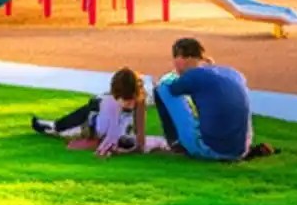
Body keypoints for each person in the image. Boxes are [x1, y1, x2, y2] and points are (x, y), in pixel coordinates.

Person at [154, 37, 268, 161]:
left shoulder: (193, 76)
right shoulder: (232, 72)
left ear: (181, 58)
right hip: (242, 149)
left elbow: (173, 89)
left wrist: (174, 75)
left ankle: (175, 143)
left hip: (212, 150)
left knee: (163, 87)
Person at [32, 68, 167, 156]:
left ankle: (56, 126)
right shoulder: (109, 102)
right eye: (127, 101)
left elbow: (139, 127)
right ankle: (52, 126)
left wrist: (140, 142)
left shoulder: (139, 98)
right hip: (94, 117)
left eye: (132, 100)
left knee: (125, 140)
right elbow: (108, 129)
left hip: (114, 120)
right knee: (65, 129)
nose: (131, 104)